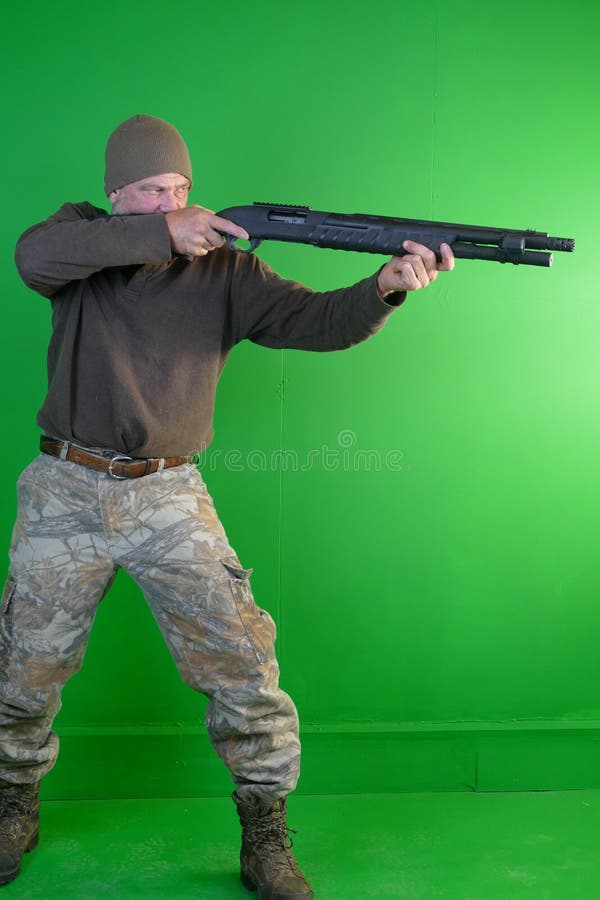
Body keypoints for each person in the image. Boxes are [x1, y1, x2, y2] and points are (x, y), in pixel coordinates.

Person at [0, 114, 454, 896]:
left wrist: (383, 290)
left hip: (169, 492)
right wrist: (163, 232)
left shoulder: (229, 275)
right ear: (117, 194)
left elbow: (319, 322)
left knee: (243, 666)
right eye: (152, 190)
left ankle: (265, 829)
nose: (172, 200)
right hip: (64, 490)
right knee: (23, 669)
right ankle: (12, 801)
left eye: (180, 189)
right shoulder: (77, 238)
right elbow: (34, 258)